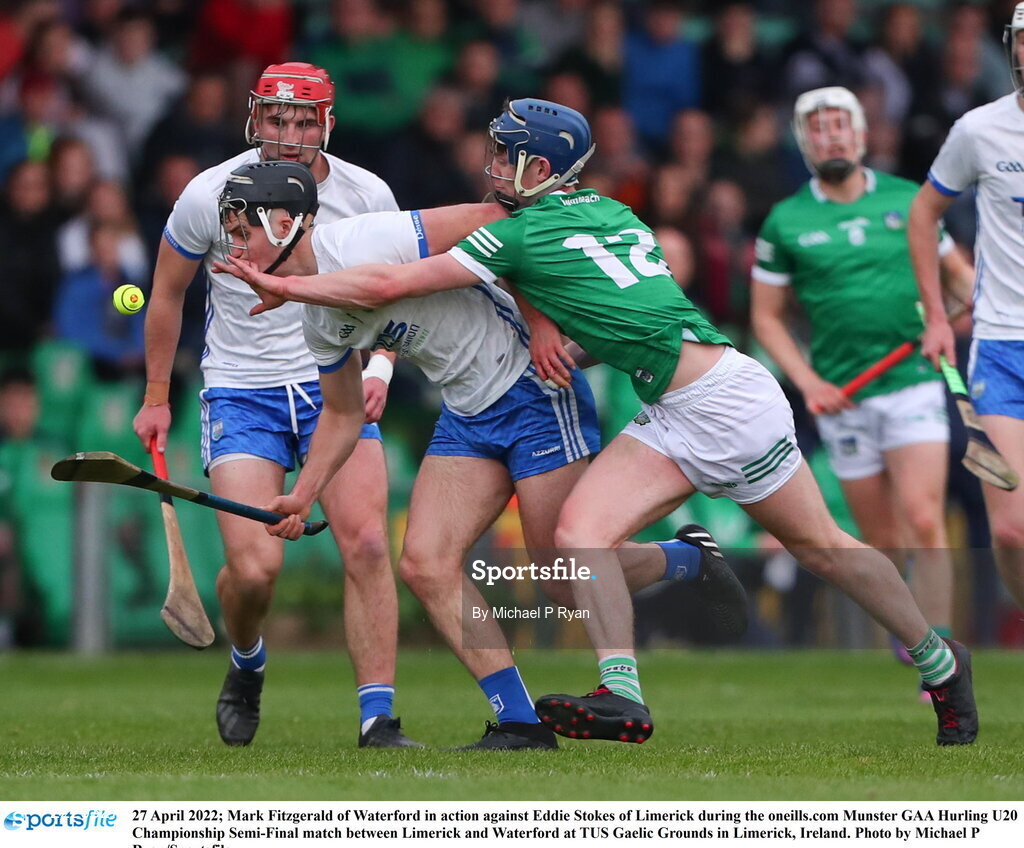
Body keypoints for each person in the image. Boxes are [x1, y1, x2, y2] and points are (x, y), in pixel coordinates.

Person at [224, 98, 979, 747]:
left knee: (823, 549)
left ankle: (939, 660)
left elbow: (400, 279)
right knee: (579, 539)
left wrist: (288, 289)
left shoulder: (515, 234)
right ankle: (622, 692)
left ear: (541, 172)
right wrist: (552, 330)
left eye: (504, 157)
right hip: (674, 404)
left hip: (727, 402)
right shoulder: (607, 210)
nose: (490, 167)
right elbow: (617, 308)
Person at [214, 159, 747, 749]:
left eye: (245, 232)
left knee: (561, 579)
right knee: (424, 562)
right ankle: (519, 721)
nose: (236, 249)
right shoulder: (319, 320)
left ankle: (687, 558)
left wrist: (542, 321)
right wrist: (305, 492)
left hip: (532, 389)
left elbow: (499, 222)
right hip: (467, 411)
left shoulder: (366, 237)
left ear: (286, 223)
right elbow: (341, 414)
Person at [131, 63, 413, 749]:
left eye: (304, 119)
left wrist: (381, 364)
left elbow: (398, 288)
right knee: (256, 572)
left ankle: (378, 718)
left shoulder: (367, 192)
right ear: (255, 117)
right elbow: (166, 293)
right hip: (241, 390)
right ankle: (247, 660)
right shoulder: (208, 193)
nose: (289, 134)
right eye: (277, 119)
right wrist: (156, 396)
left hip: (334, 386)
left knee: (370, 542)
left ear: (327, 124)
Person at [750, 87, 976, 684]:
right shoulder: (785, 221)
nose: (831, 136)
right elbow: (766, 317)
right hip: (841, 398)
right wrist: (809, 383)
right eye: (817, 128)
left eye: (840, 125)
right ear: (805, 142)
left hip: (912, 383)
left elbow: (963, 284)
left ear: (862, 134)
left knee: (925, 519)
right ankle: (913, 636)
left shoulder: (910, 202)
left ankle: (944, 666)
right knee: (879, 539)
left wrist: (940, 320)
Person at [908, 1, 1024, 618]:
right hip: (1002, 346)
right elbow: (923, 213)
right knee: (1009, 530)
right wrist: (935, 314)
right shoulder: (980, 130)